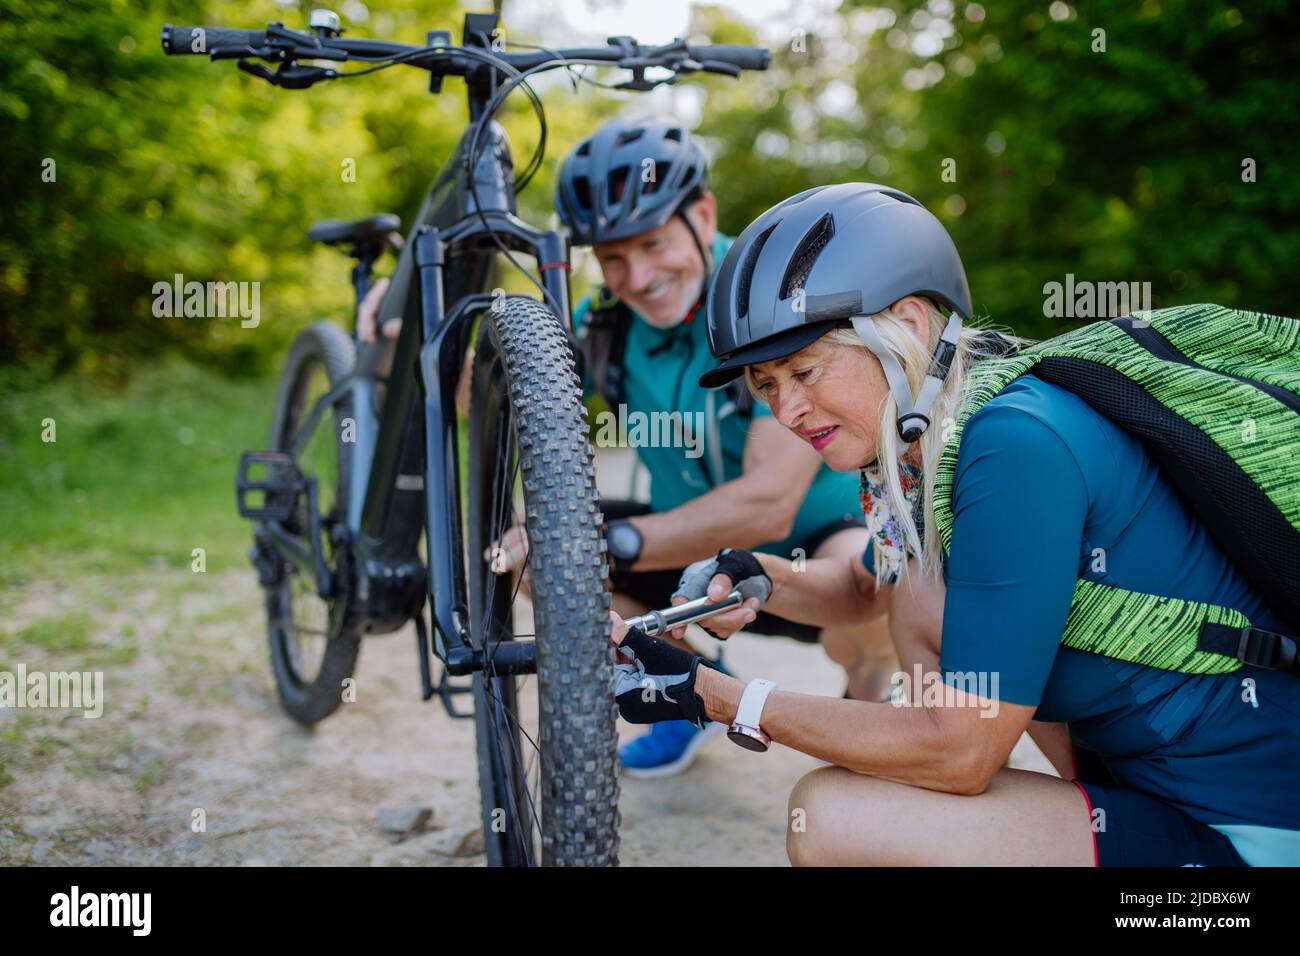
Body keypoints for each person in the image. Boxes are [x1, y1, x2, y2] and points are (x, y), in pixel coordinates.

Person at [607, 181, 1300, 865]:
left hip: (1246, 834)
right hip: (1151, 800)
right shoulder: (932, 437)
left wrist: (713, 694)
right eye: (766, 387)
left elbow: (963, 751)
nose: (787, 411)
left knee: (834, 818)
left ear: (905, 325)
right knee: (914, 589)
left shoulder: (1013, 445)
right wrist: (760, 577)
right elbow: (866, 587)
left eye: (804, 370)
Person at [496, 119, 896, 778]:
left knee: (882, 576)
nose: (639, 276)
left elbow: (769, 505)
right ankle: (691, 692)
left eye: (654, 244)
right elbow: (489, 395)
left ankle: (872, 693)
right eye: (613, 257)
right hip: (687, 553)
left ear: (703, 214)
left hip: (815, 541)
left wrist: (611, 540)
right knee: (536, 556)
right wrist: (408, 331)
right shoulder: (605, 320)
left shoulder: (773, 288)